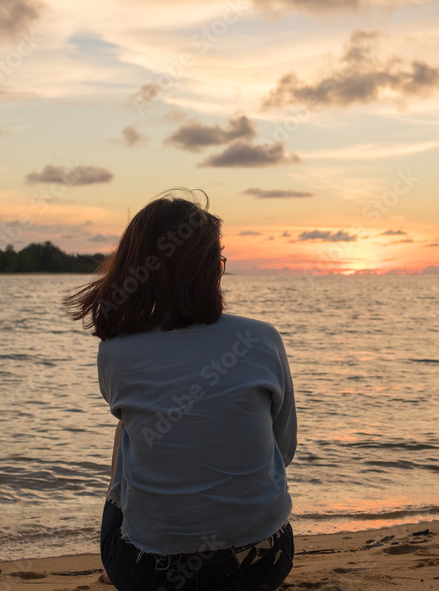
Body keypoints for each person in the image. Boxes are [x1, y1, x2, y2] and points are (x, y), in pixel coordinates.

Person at [64, 190, 296, 591]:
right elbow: (283, 450)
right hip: (261, 562)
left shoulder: (116, 352)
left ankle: (125, 555)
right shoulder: (261, 338)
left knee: (129, 429)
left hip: (146, 572)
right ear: (208, 270)